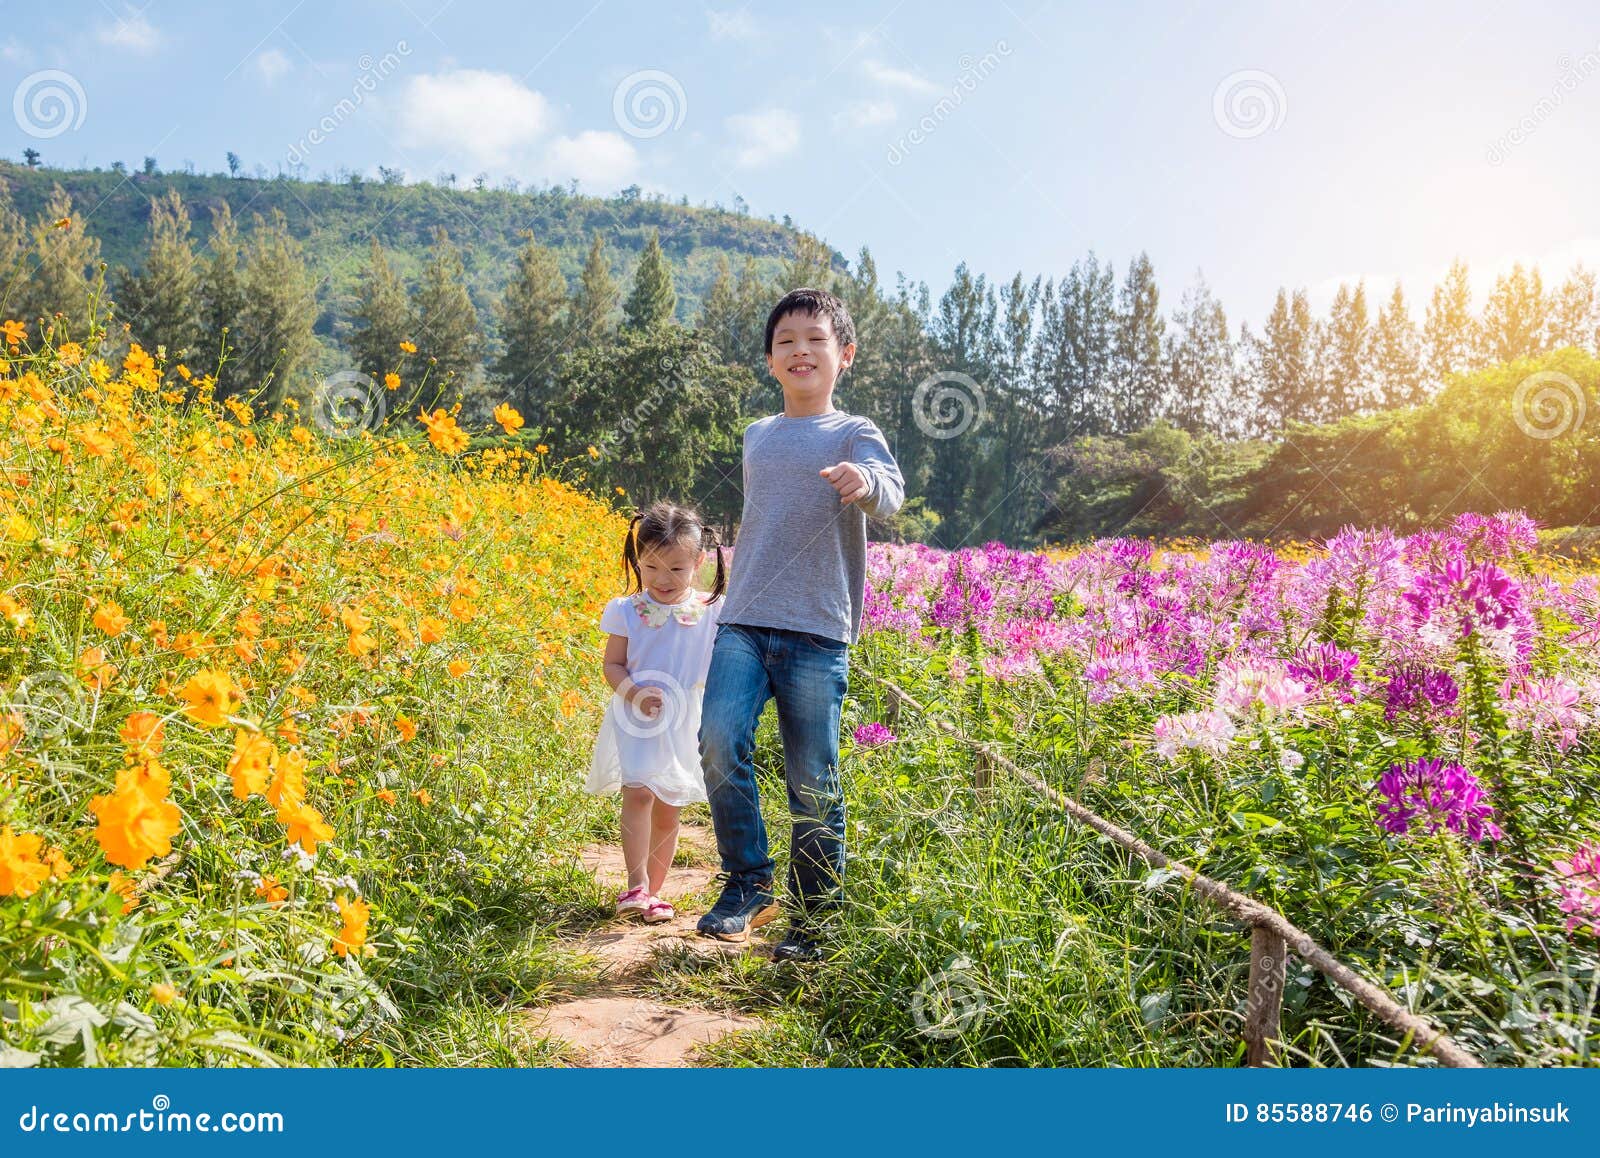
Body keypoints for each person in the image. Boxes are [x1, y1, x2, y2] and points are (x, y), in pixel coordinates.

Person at [696, 287, 906, 962]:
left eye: (816, 339)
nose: (800, 351)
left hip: (818, 628)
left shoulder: (854, 431)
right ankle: (749, 881)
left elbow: (891, 491)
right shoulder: (757, 434)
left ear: (845, 355)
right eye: (785, 341)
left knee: (813, 777)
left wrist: (864, 483)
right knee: (718, 738)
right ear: (769, 361)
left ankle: (815, 920)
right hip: (745, 618)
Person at [587, 501, 725, 924]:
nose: (663, 580)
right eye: (651, 568)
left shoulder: (712, 609)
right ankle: (636, 884)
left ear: (698, 563)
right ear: (637, 561)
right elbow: (612, 664)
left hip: (686, 719)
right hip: (638, 715)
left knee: (669, 804)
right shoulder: (626, 610)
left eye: (677, 569)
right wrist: (634, 693)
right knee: (639, 792)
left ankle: (656, 894)